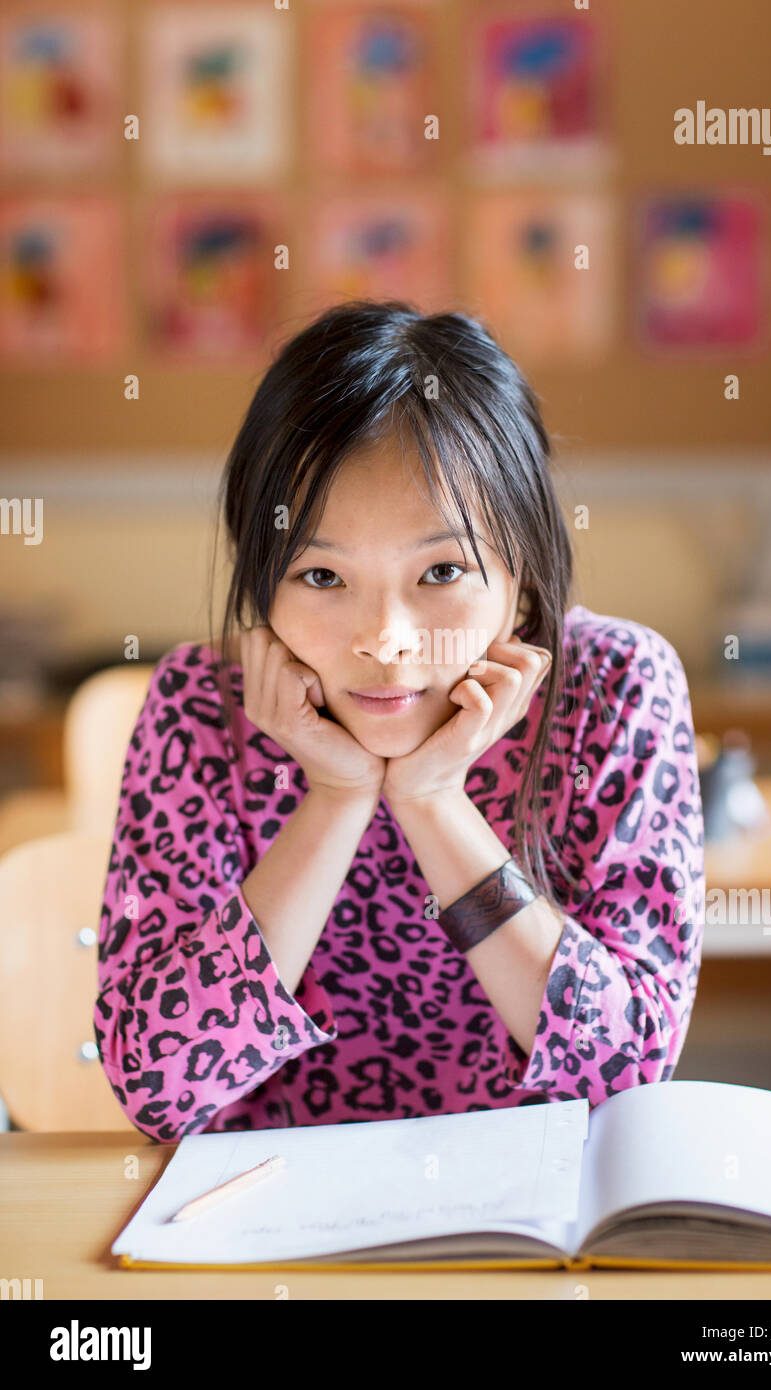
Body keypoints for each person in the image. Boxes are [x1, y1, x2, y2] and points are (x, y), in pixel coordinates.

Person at [94, 299, 705, 1142]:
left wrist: (434, 801)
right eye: (320, 577)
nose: (385, 639)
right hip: (278, 1237)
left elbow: (628, 1073)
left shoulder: (613, 687)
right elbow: (159, 1086)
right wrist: (335, 796)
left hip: (530, 1238)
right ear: (261, 577)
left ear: (522, 570)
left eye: (442, 569)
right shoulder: (203, 707)